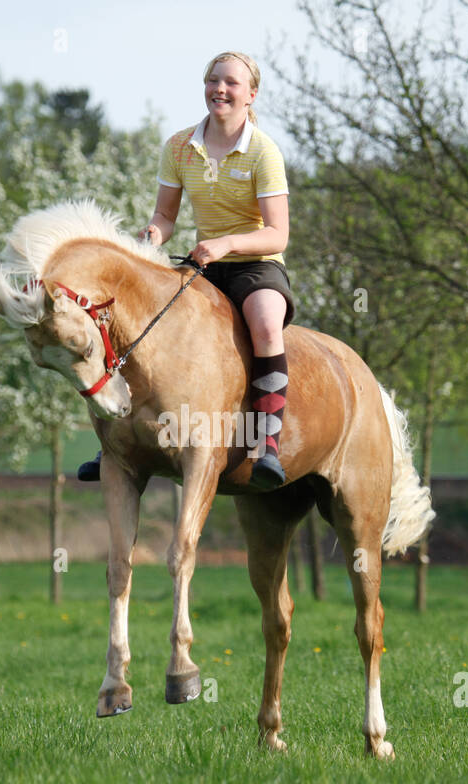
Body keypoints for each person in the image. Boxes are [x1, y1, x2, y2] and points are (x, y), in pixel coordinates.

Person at [78, 50, 294, 490]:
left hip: (256, 265)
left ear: (251, 94)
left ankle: (266, 445)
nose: (221, 89)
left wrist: (228, 242)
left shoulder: (264, 152)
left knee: (267, 324)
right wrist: (152, 238)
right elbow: (165, 217)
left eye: (232, 82)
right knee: (137, 326)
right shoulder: (179, 146)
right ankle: (116, 442)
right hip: (203, 267)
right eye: (214, 80)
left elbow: (278, 235)